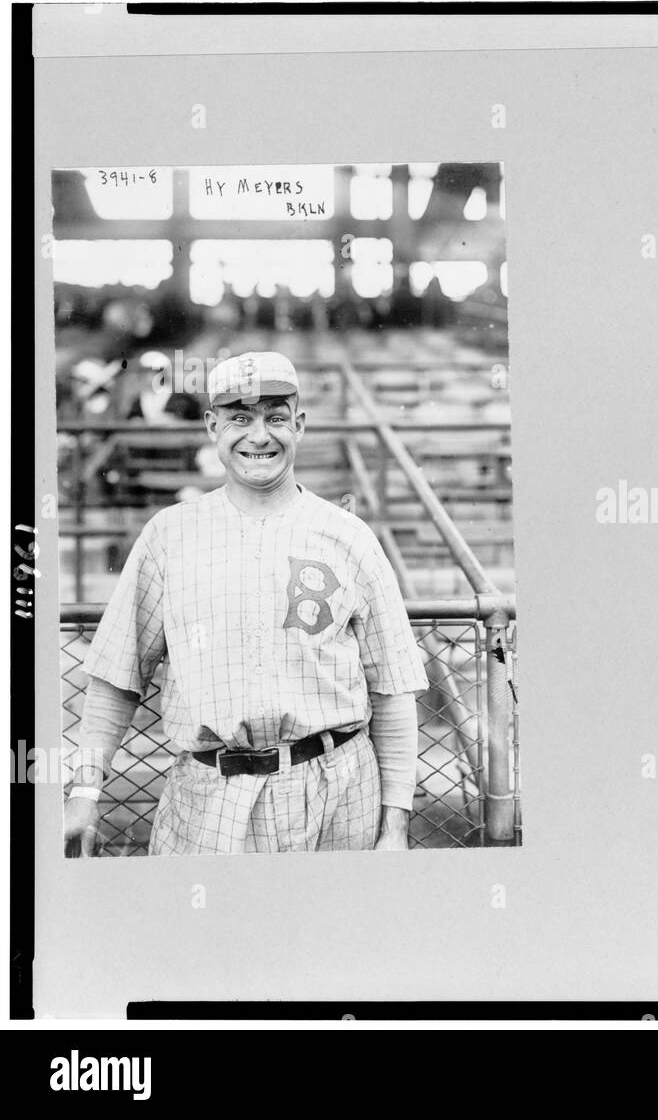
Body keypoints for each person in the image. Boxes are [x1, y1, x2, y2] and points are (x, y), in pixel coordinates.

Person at [64, 351, 429, 855]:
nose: (259, 436)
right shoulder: (168, 536)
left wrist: (394, 829)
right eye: (240, 418)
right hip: (209, 798)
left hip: (340, 794)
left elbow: (393, 692)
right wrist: (84, 792)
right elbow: (115, 680)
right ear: (213, 427)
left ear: (299, 425)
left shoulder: (350, 537)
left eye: (275, 417)